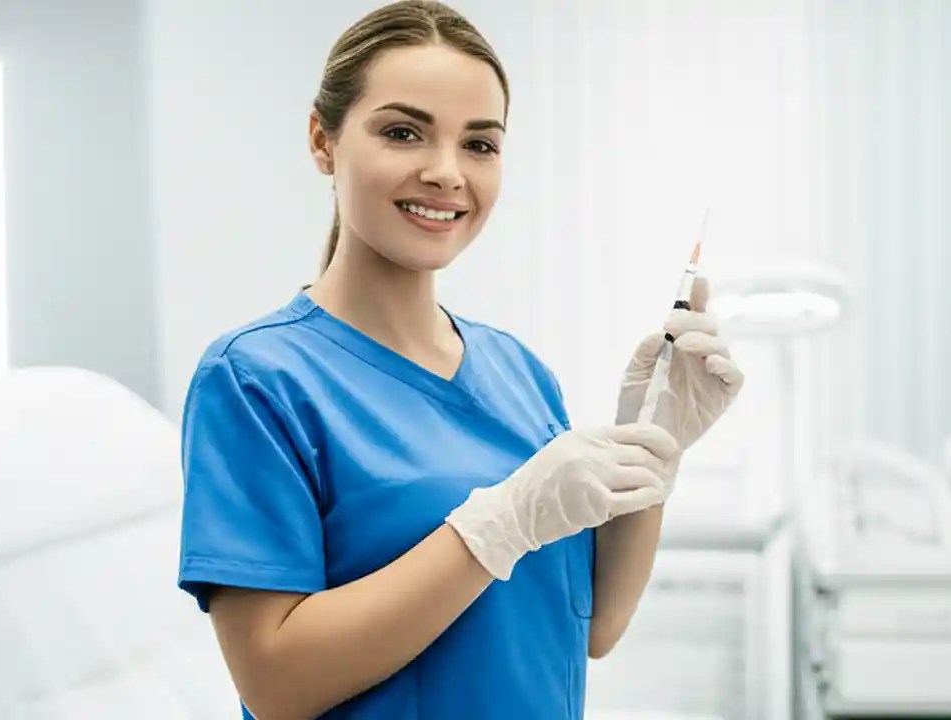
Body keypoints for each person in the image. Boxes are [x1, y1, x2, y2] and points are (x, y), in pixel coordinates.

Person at [175, 2, 744, 718]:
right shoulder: (257, 379)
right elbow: (275, 682)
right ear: (323, 141)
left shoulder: (518, 371)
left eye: (479, 145)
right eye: (403, 132)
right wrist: (495, 527)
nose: (446, 173)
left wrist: (656, 448)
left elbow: (592, 626)